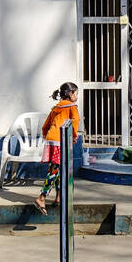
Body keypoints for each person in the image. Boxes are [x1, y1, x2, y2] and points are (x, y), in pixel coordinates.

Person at [35, 82, 84, 214]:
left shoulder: (56, 108)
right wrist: (74, 136)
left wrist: (49, 136)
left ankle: (58, 197)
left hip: (51, 141)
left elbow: (45, 126)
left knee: (58, 168)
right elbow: (74, 122)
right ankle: (42, 197)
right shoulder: (72, 107)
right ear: (70, 94)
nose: (77, 97)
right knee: (54, 170)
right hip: (60, 141)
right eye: (76, 93)